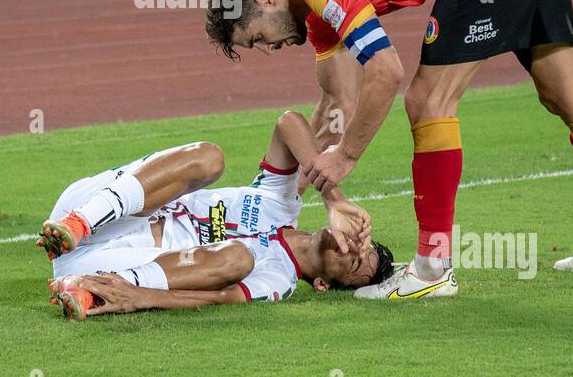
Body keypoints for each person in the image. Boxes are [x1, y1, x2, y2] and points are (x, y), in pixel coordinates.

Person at [204, 0, 573, 300]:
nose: (268, 49)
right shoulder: (314, 9)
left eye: (257, 37)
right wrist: (297, 192)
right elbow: (337, 103)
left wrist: (348, 155)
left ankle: (432, 270)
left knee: (427, 101)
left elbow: (385, 71)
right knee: (564, 93)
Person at [41, 111, 391, 318]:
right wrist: (333, 198)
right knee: (210, 158)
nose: (355, 247)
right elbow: (288, 123)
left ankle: (90, 290)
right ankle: (77, 224)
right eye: (364, 244)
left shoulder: (279, 280)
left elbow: (220, 297)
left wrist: (142, 299)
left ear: (322, 285)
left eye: (357, 262)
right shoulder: (281, 203)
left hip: (115, 266)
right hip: (94, 211)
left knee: (240, 257)